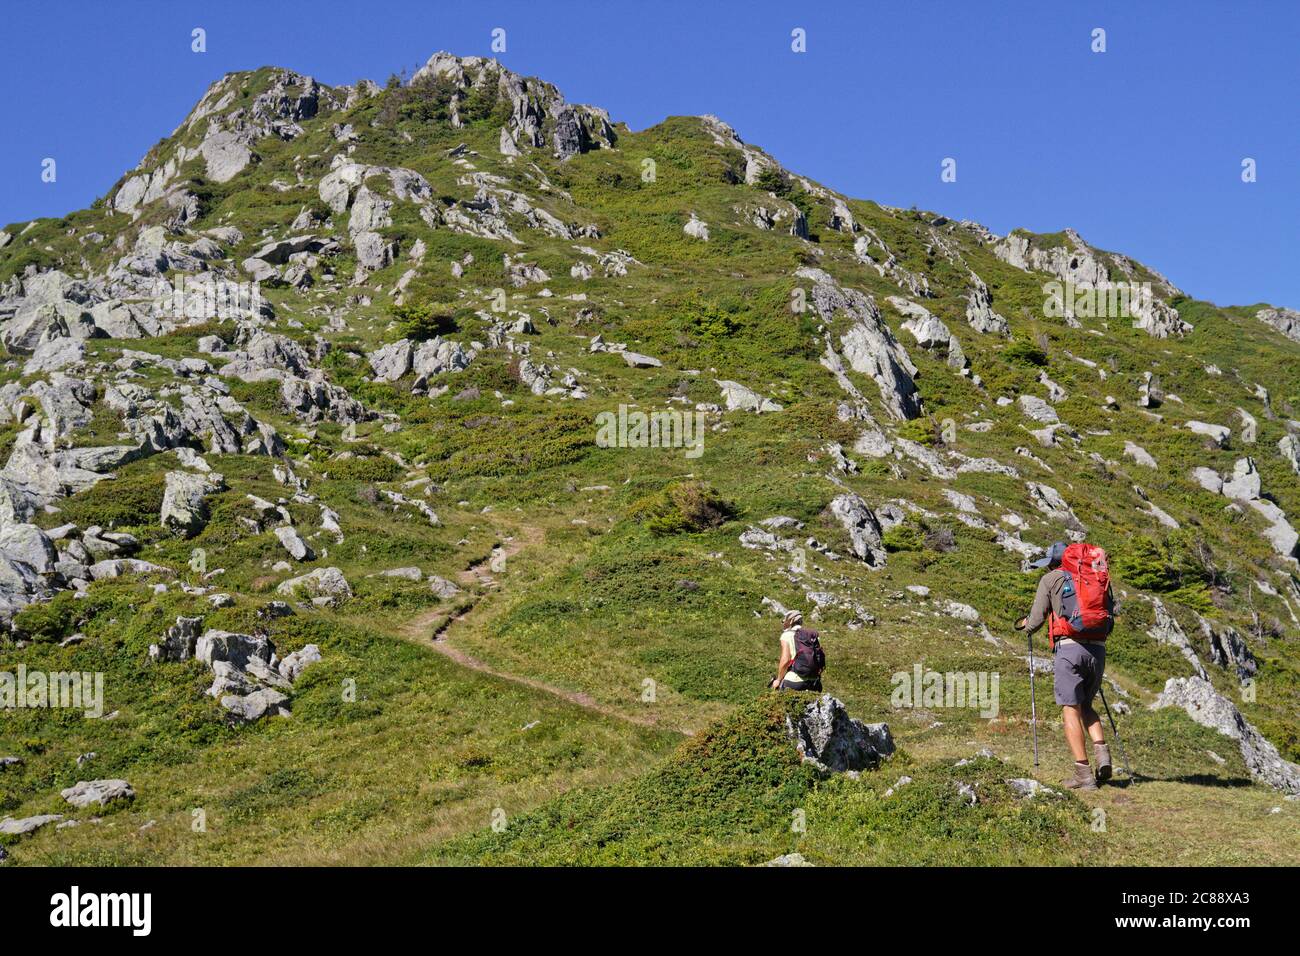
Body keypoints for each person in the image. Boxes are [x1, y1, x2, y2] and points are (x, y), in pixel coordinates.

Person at [1015, 541, 1114, 791]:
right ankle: (1102, 754)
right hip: (1097, 649)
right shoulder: (1096, 577)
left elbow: (1036, 619)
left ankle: (1083, 774)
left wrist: (1024, 626)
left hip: (1069, 648)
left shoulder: (1051, 579)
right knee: (1087, 706)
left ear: (1055, 562)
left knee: (1070, 709)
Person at [770, 610, 824, 691]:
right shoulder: (811, 635)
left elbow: (785, 659)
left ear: (791, 621)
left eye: (784, 621)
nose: (783, 624)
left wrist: (778, 680)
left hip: (794, 681)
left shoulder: (786, 635)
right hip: (814, 682)